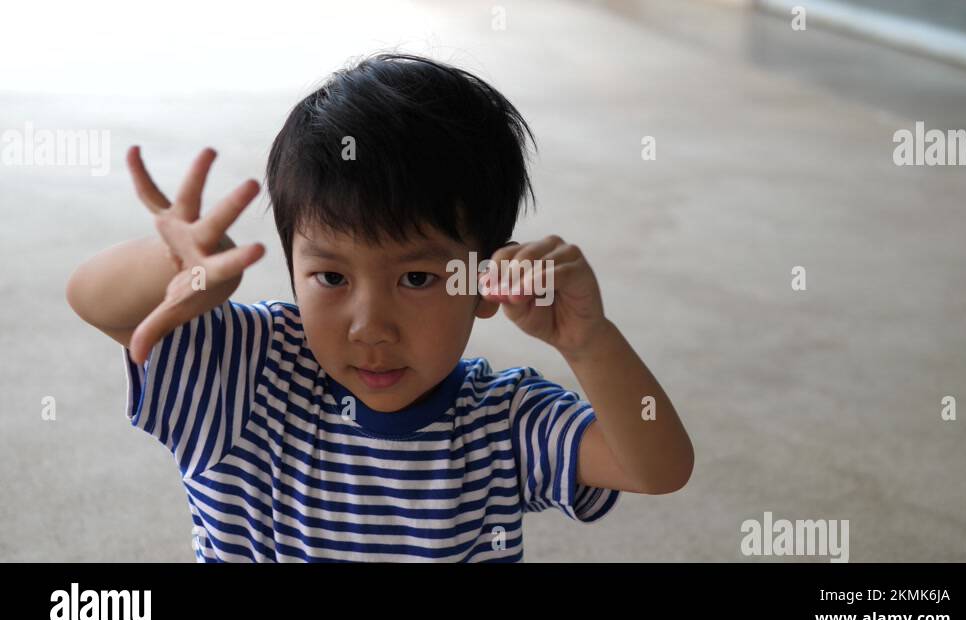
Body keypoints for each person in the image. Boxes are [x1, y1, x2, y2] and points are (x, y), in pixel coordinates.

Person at [65, 53, 693, 562]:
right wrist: (171, 266)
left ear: (487, 281)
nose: (370, 328)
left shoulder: (502, 422)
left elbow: (658, 468)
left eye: (417, 277)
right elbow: (91, 299)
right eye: (331, 276)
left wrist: (589, 340)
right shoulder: (246, 374)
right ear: (292, 270)